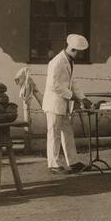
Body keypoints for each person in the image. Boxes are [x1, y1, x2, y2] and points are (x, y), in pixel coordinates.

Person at [42, 33, 89, 174]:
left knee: (67, 133)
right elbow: (53, 85)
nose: (80, 56)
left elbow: (72, 82)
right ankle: (53, 164)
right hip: (54, 104)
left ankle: (73, 162)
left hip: (63, 104)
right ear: (74, 50)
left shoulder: (69, 61)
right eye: (80, 53)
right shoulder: (56, 62)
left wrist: (82, 97)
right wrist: (72, 96)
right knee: (54, 134)